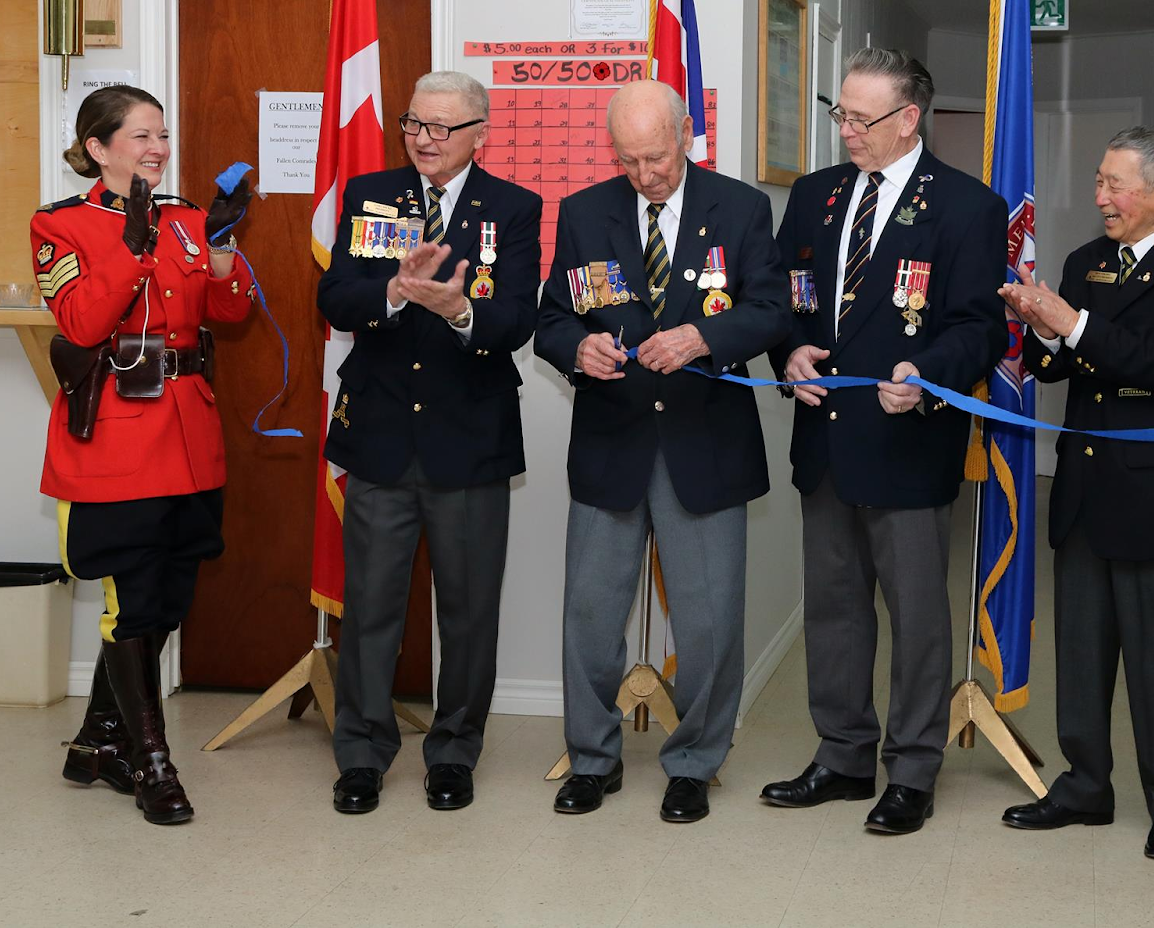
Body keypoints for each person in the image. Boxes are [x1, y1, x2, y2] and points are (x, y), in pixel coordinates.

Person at [760, 49, 1007, 835]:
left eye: (861, 119)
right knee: (833, 608)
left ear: (909, 120)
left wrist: (927, 372)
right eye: (841, 114)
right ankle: (841, 755)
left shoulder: (966, 207)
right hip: (825, 441)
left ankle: (912, 768)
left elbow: (980, 326)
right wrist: (790, 351)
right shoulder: (815, 195)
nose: (847, 131)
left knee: (916, 615)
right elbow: (787, 297)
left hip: (907, 440)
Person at [534, 80, 789, 824]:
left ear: (685, 134)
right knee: (589, 614)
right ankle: (592, 760)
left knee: (708, 623)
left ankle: (694, 762)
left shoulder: (740, 208)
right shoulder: (586, 213)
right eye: (629, 160)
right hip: (612, 443)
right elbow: (554, 316)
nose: (644, 174)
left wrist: (703, 336)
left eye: (656, 157)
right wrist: (577, 348)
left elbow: (771, 310)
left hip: (703, 445)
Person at [998, 127, 1154, 861]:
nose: (1099, 196)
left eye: (1114, 184)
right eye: (1099, 181)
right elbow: (1057, 369)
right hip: (1086, 492)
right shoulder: (1085, 262)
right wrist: (1034, 329)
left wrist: (1069, 322)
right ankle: (1085, 785)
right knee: (1081, 651)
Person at [318, 70, 541, 814]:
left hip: (468, 442)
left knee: (469, 612)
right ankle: (361, 752)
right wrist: (391, 291)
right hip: (381, 436)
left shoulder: (512, 208)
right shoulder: (369, 195)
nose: (423, 140)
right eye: (414, 123)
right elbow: (335, 296)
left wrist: (457, 311)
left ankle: (453, 752)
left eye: (442, 128)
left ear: (482, 131)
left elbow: (515, 320)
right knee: (372, 605)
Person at [41, 85, 255, 825]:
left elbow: (230, 315)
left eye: (162, 134)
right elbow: (82, 320)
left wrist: (222, 248)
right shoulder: (59, 225)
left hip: (189, 433)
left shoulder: (189, 217)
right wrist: (133, 248)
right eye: (140, 136)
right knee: (130, 599)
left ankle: (101, 738)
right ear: (97, 148)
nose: (158, 148)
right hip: (117, 438)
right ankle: (150, 762)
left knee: (166, 598)